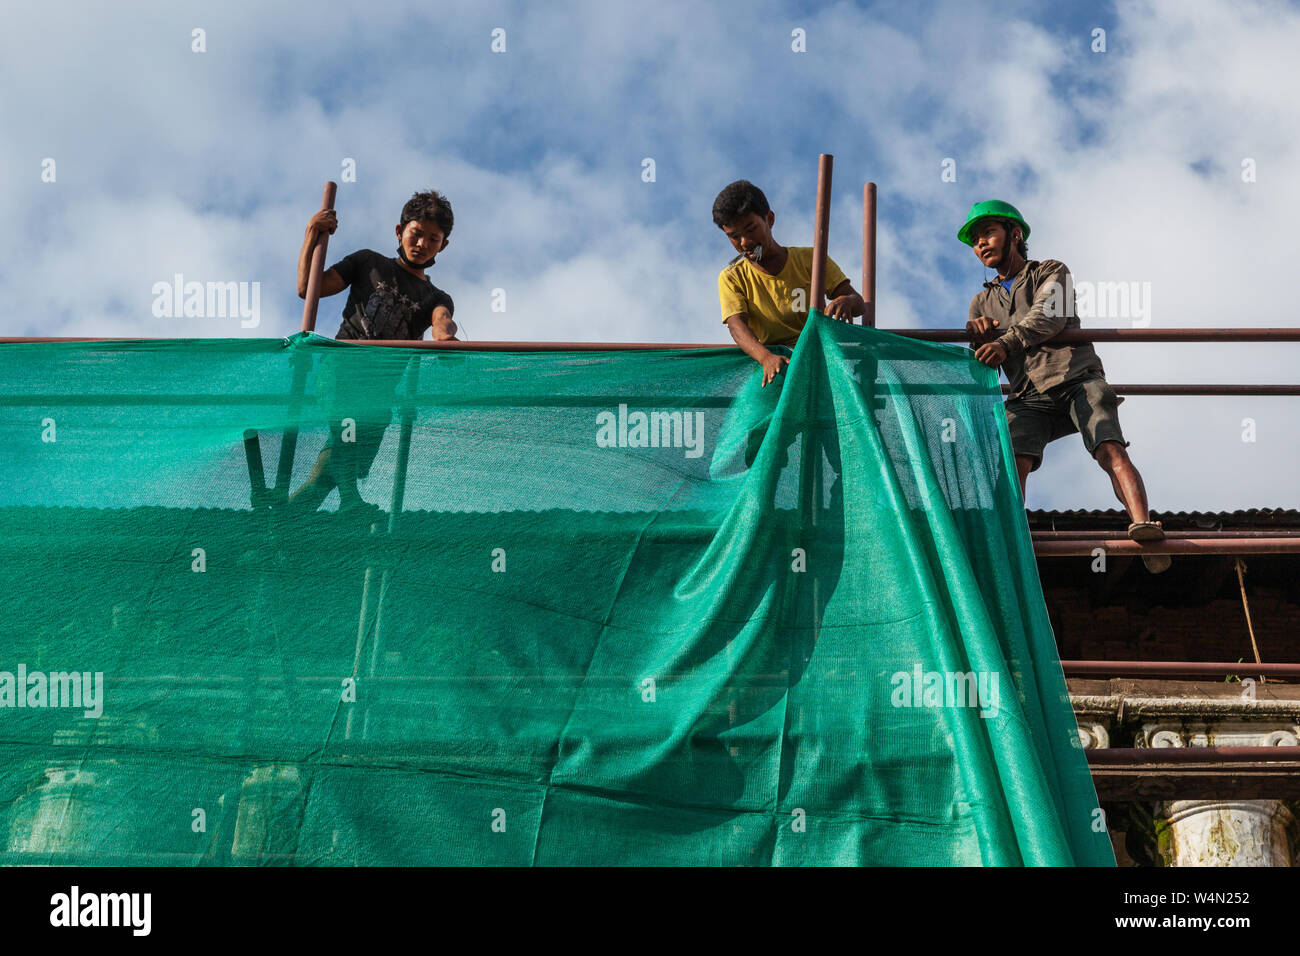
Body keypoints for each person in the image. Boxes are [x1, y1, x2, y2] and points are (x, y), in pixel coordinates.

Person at [959, 199, 1169, 573]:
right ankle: (1010, 537)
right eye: (975, 241)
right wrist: (976, 337)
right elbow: (984, 358)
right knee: (1013, 457)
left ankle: (1143, 526)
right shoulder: (981, 301)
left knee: (1108, 446)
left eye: (988, 233)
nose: (981, 244)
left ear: (1015, 234)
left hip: (1076, 378)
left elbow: (1049, 317)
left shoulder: (1050, 271)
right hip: (1028, 393)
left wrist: (1004, 342)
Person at [287, 190, 458, 513]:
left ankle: (277, 527)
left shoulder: (436, 296)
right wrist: (312, 232)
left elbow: (442, 323)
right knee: (344, 446)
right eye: (416, 234)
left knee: (327, 474)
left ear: (443, 245)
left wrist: (445, 340)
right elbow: (308, 289)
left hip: (380, 393)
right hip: (343, 372)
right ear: (399, 231)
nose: (422, 244)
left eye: (432, 239)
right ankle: (351, 503)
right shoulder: (368, 263)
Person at [714, 180, 864, 386]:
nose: (744, 242)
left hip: (821, 362)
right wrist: (765, 357)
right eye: (734, 236)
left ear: (769, 219)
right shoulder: (732, 277)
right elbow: (736, 326)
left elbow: (858, 303)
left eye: (751, 229)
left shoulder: (810, 259)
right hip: (775, 372)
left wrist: (845, 301)